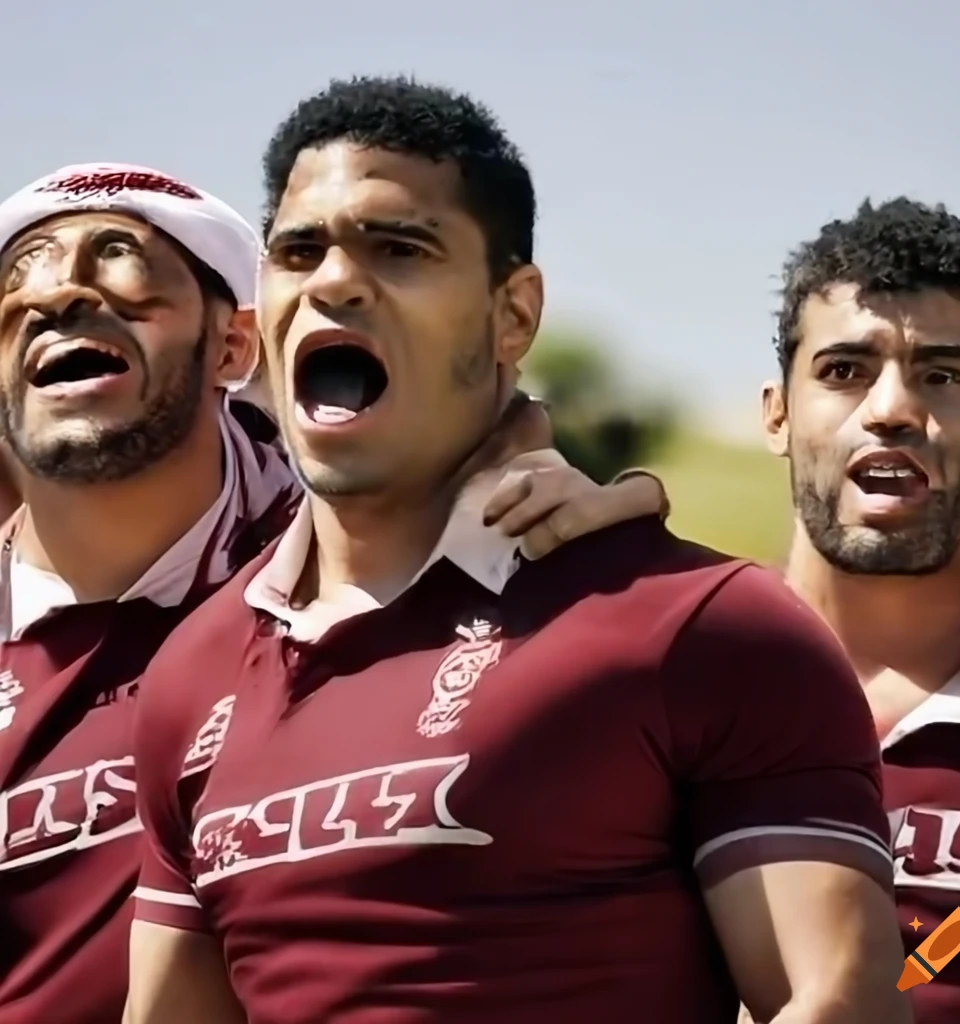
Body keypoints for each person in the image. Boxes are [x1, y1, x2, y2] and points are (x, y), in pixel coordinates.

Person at [125, 76, 908, 1024]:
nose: (333, 281)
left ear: (514, 315)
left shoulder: (702, 625)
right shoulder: (191, 674)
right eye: (298, 251)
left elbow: (840, 1000)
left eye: (399, 248)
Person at [0, 161, 665, 1024]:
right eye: (22, 283)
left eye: (119, 265)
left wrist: (615, 498)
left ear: (235, 347)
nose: (59, 297)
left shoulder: (346, 555)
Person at [762, 196, 960, 1024]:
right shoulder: (662, 673)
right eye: (844, 371)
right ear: (776, 414)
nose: (891, 410)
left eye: (943, 376)